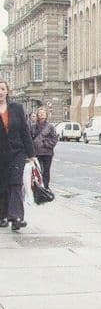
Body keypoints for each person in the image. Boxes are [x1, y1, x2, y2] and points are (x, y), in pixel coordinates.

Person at [0, 80, 36, 232]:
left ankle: (16, 217)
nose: (0, 92)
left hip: (17, 152)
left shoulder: (17, 108)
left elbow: (24, 131)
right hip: (1, 153)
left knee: (16, 183)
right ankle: (2, 215)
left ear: (7, 91)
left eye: (2, 88)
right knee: (3, 184)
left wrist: (32, 154)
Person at [30, 107, 58, 189]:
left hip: (47, 153)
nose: (41, 114)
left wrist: (45, 143)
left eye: (43, 113)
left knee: (46, 171)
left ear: (46, 115)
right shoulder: (33, 127)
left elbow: (54, 139)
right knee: (36, 171)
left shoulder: (50, 127)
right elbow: (29, 139)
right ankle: (37, 187)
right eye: (40, 113)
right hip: (36, 153)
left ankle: (45, 187)